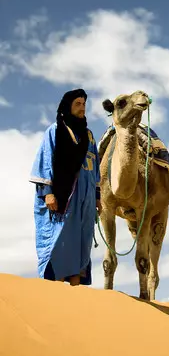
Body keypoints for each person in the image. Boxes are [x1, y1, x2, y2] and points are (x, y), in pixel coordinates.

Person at [29, 88, 102, 286]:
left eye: (84, 104)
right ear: (68, 106)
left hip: (86, 198)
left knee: (82, 241)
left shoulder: (89, 135)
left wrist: (97, 196)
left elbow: (95, 167)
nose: (82, 108)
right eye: (77, 104)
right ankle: (56, 289)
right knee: (61, 240)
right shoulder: (55, 131)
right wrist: (48, 193)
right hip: (65, 195)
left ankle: (76, 289)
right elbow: (44, 162)